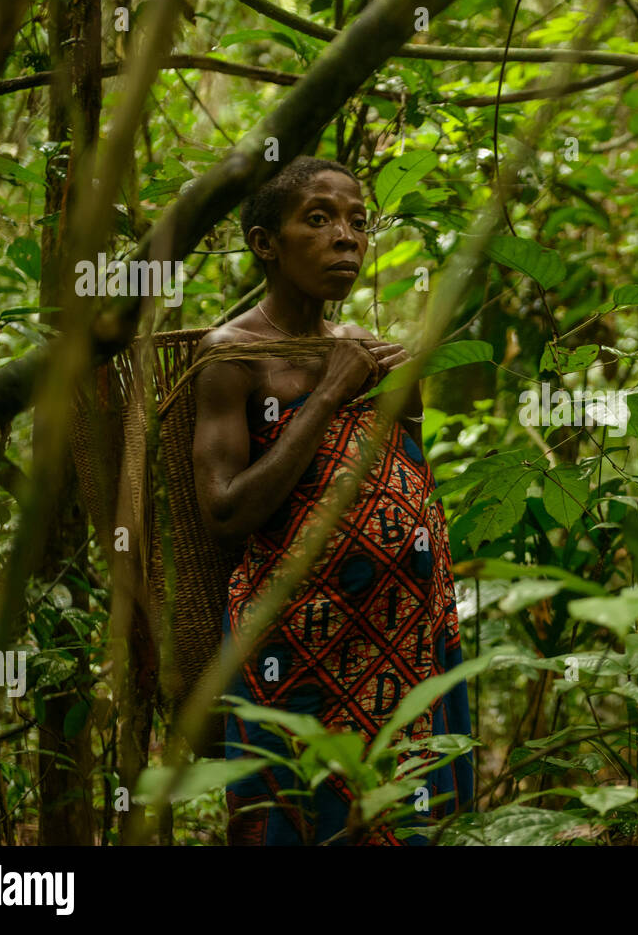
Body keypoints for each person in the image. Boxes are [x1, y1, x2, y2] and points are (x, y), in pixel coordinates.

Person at [190, 156, 472, 845]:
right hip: (295, 654)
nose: (346, 236)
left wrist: (405, 408)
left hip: (401, 647)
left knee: (403, 819)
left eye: (356, 220)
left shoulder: (357, 347)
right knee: (294, 817)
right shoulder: (232, 353)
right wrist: (330, 392)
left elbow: (403, 479)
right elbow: (225, 508)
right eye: (318, 218)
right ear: (265, 243)